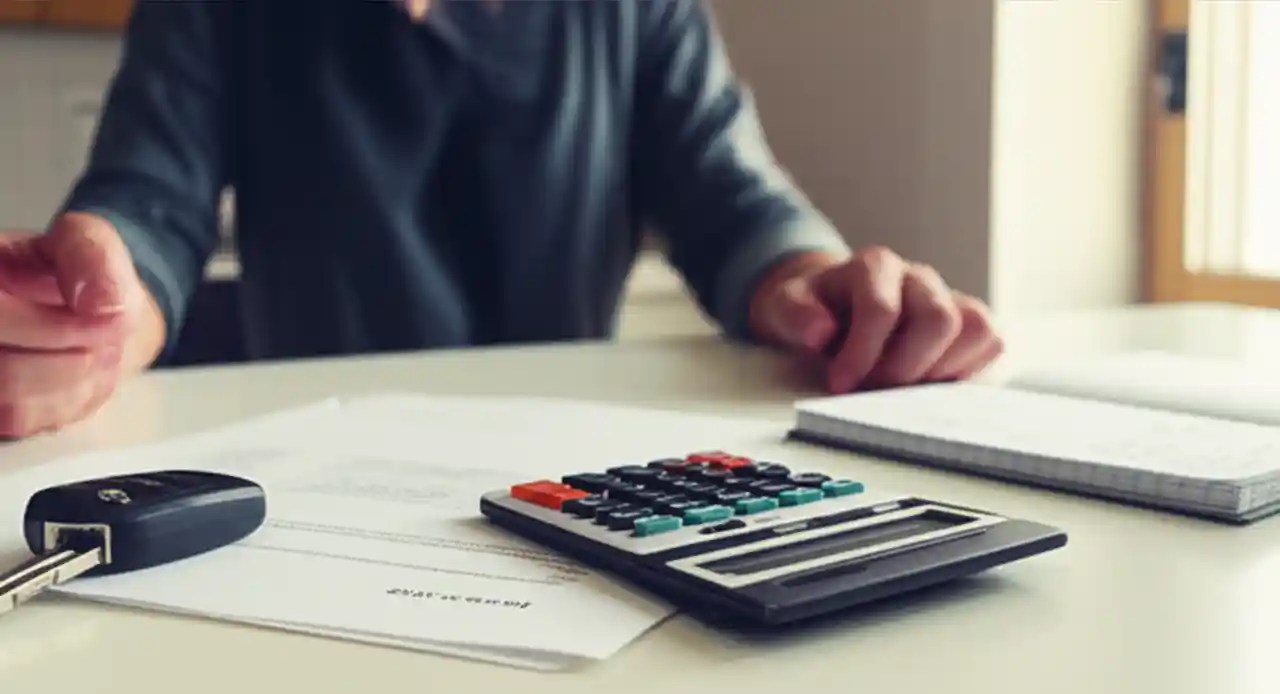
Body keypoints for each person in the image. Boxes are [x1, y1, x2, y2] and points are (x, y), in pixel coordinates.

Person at [0, 0, 1002, 438]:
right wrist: (96, 314)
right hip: (314, 477)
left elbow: (729, 195)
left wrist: (813, 282)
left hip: (570, 487)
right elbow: (151, 205)